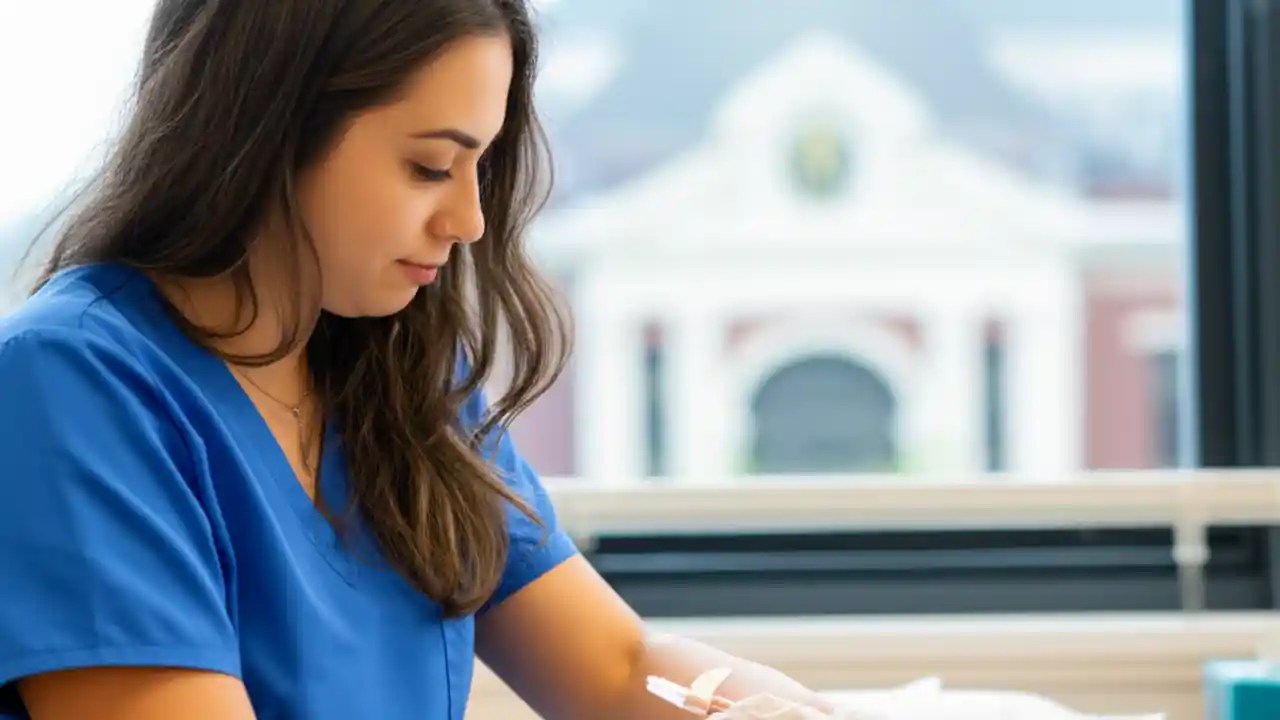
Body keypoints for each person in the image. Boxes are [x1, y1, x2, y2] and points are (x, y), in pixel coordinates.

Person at [0, 1, 840, 718]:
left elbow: (620, 671)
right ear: (266, 127)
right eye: (431, 166)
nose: (470, 220)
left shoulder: (404, 375)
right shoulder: (70, 388)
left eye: (481, 166)